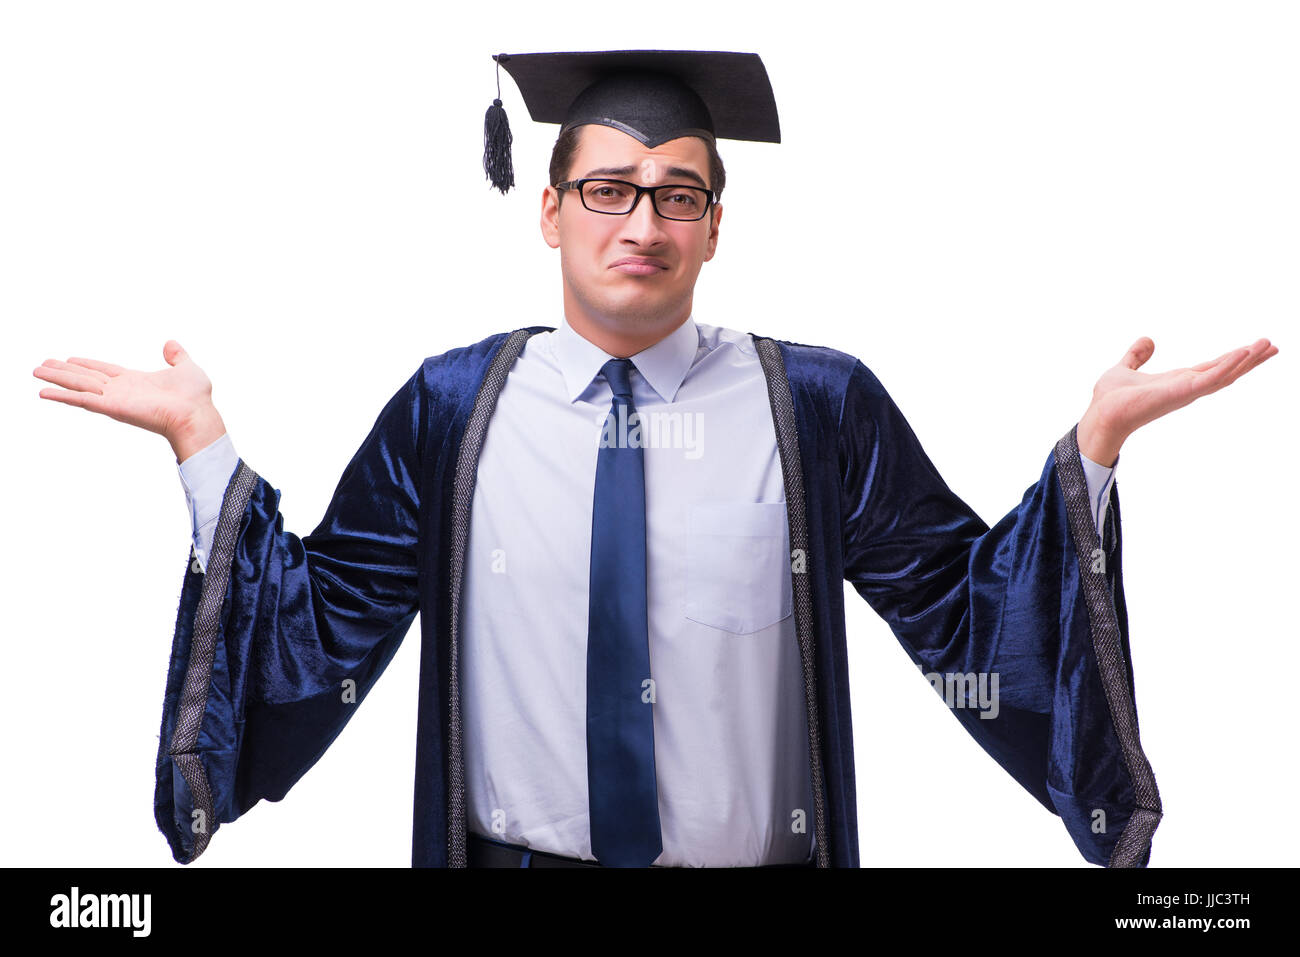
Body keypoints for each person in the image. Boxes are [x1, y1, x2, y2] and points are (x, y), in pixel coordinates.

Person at [31, 49, 1277, 869]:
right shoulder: (453, 406)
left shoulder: (818, 406)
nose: (643, 222)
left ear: (715, 228)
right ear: (550, 209)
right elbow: (323, 625)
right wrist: (203, 446)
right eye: (610, 188)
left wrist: (1094, 451)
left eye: (677, 195)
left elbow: (966, 609)